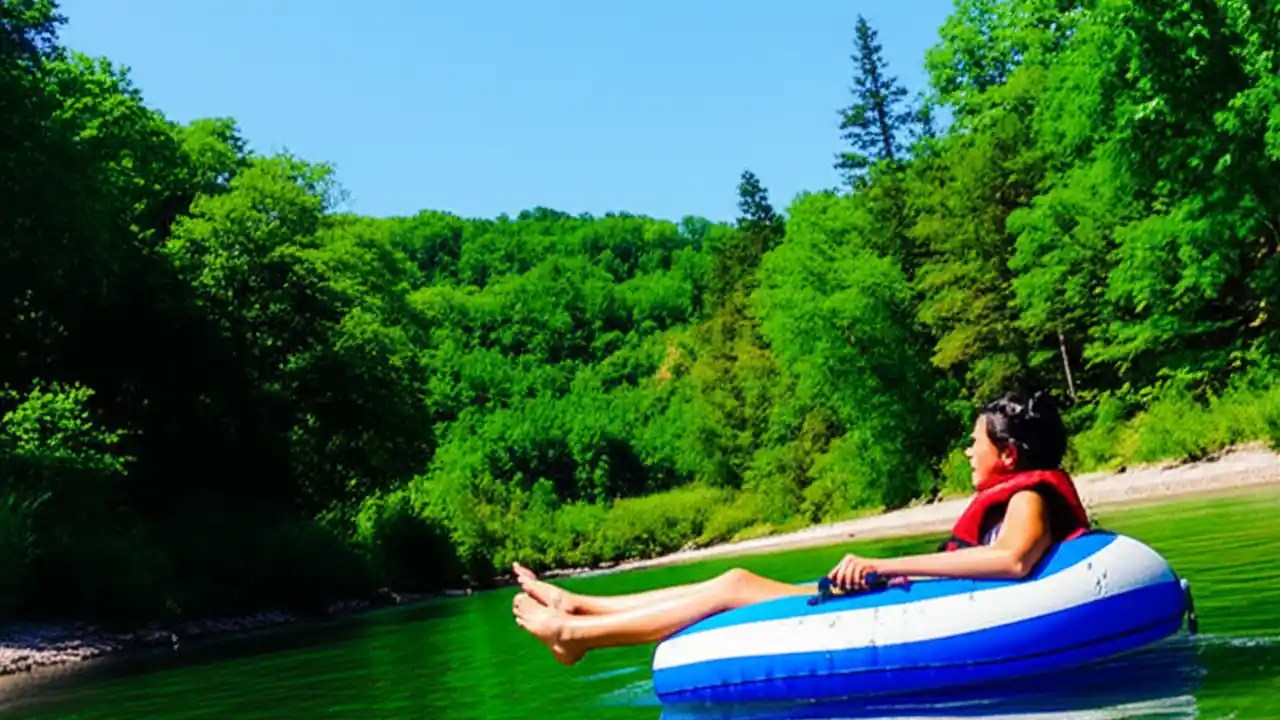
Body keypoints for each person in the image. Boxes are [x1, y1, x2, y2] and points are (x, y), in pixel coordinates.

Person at [512, 391, 1091, 666]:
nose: (968, 451)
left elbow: (1013, 560)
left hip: (910, 605)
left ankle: (578, 635)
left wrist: (888, 565)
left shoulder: (1030, 497)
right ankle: (579, 605)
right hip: (913, 600)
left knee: (735, 584)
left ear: (1008, 455)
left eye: (976, 441)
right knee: (731, 582)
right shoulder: (1025, 491)